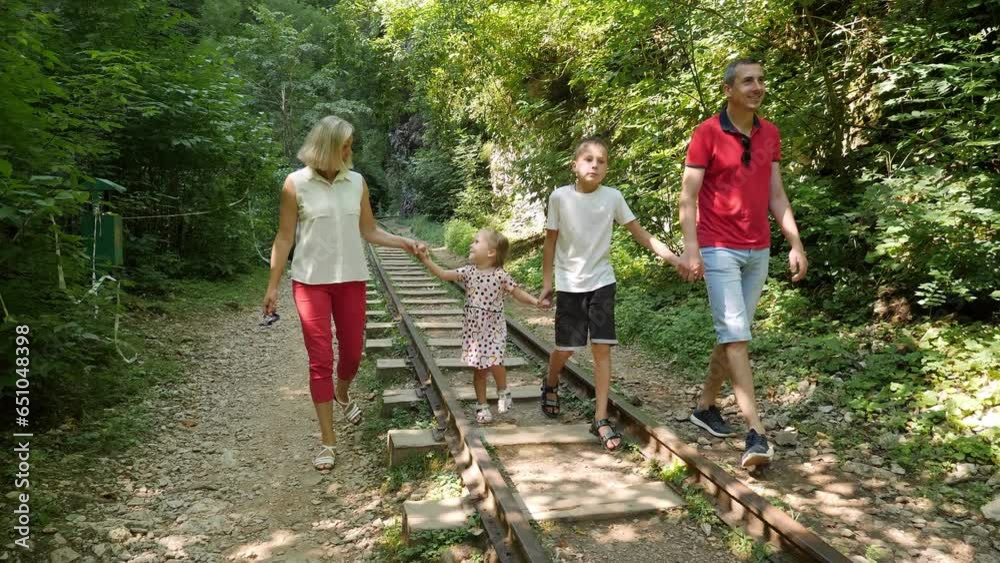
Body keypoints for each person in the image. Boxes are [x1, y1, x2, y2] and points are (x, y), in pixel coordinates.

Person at [262, 115, 426, 471]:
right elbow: (284, 237)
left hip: (351, 279)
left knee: (351, 353)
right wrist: (273, 285)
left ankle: (342, 392)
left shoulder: (357, 182)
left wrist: (404, 243)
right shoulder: (295, 184)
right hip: (310, 283)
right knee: (320, 360)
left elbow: (369, 230)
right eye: (345, 146)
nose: (350, 152)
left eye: (350, 146)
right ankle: (328, 440)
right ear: (327, 148)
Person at [677, 58, 808, 468]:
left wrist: (795, 243)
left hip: (758, 249)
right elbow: (688, 197)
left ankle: (705, 406)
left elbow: (776, 195)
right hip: (718, 247)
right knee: (736, 336)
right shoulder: (707, 133)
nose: (757, 86)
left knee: (733, 334)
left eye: (761, 79)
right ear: (728, 90)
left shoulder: (770, 133)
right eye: (748, 80)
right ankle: (756, 434)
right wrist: (692, 249)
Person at [538, 137, 682, 452]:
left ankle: (600, 417)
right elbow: (550, 241)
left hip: (602, 281)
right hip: (570, 284)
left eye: (601, 161)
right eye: (588, 159)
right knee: (566, 348)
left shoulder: (613, 197)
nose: (595, 165)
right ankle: (550, 380)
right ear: (574, 165)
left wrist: (675, 259)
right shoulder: (560, 197)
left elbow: (641, 235)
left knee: (602, 349)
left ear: (606, 168)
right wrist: (548, 281)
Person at [418, 228, 543, 423]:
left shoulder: (500, 275)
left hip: (493, 329)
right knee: (479, 372)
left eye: (476, 242)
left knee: (495, 361)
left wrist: (536, 302)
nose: (471, 244)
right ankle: (482, 406)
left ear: (491, 252)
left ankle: (503, 391)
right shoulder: (468, 272)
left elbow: (517, 293)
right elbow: (443, 274)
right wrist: (426, 260)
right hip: (475, 332)